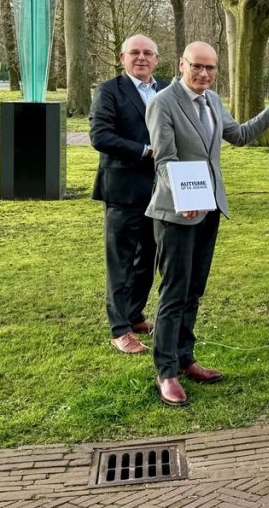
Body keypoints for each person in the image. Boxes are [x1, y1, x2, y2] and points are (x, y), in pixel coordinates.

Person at [145, 41, 269, 407]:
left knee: (194, 290)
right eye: (197, 66)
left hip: (209, 210)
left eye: (211, 68)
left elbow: (240, 136)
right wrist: (185, 198)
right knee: (174, 293)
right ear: (182, 64)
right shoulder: (162, 103)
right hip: (175, 214)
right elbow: (164, 160)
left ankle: (185, 358)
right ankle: (166, 372)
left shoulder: (212, 101)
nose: (204, 74)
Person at [89, 34, 164, 355]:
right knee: (120, 261)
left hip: (160, 190)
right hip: (122, 189)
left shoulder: (165, 91)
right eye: (135, 53)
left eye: (148, 53)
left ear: (157, 60)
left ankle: (134, 315)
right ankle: (119, 329)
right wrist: (145, 151)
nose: (142, 58)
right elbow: (100, 135)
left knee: (147, 257)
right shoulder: (109, 91)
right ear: (123, 58)